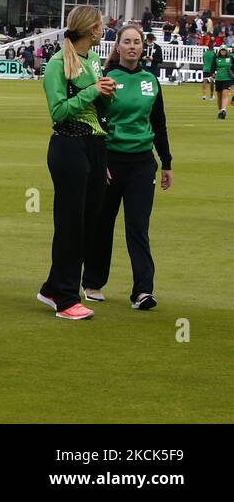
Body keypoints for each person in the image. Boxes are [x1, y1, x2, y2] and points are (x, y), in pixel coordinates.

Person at [84, 25, 172, 311]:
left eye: (137, 42)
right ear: (118, 46)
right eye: (127, 42)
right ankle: (93, 282)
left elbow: (158, 124)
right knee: (102, 224)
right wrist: (102, 161)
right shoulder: (107, 79)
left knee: (137, 227)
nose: (132, 46)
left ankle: (143, 291)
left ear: (143, 47)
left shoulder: (151, 80)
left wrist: (166, 162)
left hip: (142, 164)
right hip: (111, 162)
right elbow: (97, 120)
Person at [38, 6, 114, 321]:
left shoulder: (93, 60)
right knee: (71, 224)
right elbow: (58, 112)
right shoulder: (58, 64)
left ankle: (53, 287)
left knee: (89, 223)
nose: (104, 29)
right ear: (90, 29)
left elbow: (100, 107)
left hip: (95, 144)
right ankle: (66, 298)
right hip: (69, 144)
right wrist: (91, 91)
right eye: (100, 25)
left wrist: (106, 94)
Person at [214, 47, 233, 120]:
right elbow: (213, 67)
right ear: (220, 51)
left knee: (225, 94)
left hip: (227, 79)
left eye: (224, 50)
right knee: (219, 96)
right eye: (222, 50)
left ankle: (223, 110)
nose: (223, 52)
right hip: (218, 79)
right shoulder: (216, 58)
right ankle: (220, 111)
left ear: (226, 51)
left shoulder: (230, 58)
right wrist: (212, 74)